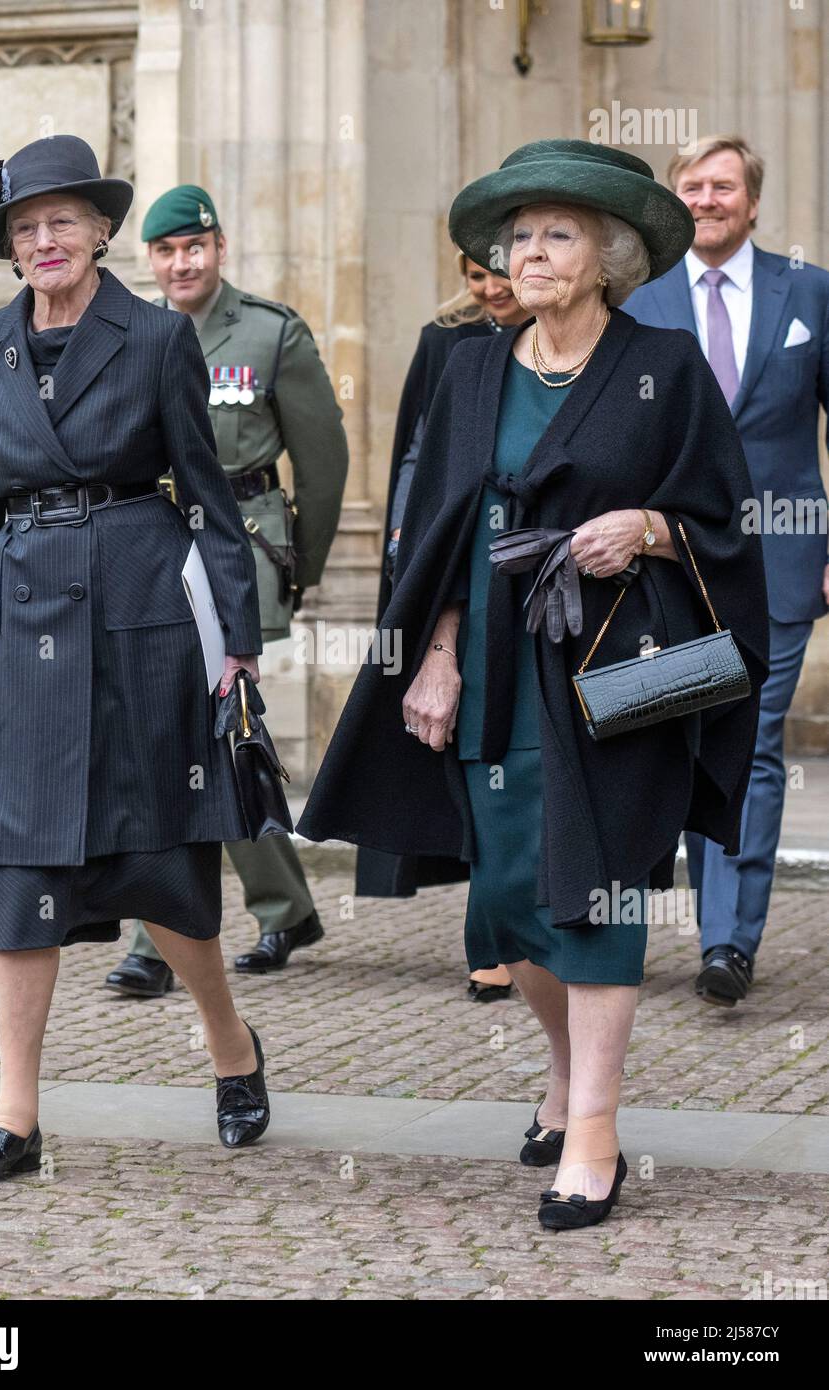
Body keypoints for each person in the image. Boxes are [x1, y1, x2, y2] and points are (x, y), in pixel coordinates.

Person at [296, 139, 769, 1229]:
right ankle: (563, 1073)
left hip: (614, 665)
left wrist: (644, 527)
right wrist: (435, 650)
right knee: (510, 905)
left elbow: (723, 525)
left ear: (605, 257)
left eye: (556, 234)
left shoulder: (664, 368)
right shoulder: (471, 369)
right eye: (519, 236)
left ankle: (593, 1130)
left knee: (595, 883)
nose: (531, 251)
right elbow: (446, 529)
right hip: (496, 660)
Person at [0, 136, 270, 1188]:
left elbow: (211, 502)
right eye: (25, 228)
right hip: (17, 621)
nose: (43, 241)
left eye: (62, 222)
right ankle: (15, 1115)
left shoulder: (159, 338)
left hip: (138, 615)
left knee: (156, 864)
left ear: (100, 231)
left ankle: (229, 1046)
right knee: (18, 866)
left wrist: (238, 643)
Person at [105, 184, 349, 994]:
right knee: (200, 736)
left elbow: (324, 462)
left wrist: (298, 569)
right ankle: (279, 909)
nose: (182, 264)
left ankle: (157, 937)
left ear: (219, 247)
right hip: (159, 553)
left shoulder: (271, 332)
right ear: (150, 259)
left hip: (241, 551)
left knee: (196, 732)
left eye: (195, 248)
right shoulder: (132, 332)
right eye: (167, 252)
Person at [623, 135, 829, 1009]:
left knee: (756, 740)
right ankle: (633, 922)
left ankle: (728, 941)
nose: (708, 199)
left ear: (752, 199)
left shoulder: (809, 291)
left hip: (782, 561)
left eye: (723, 186)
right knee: (689, 734)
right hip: (676, 564)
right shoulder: (643, 300)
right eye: (693, 187)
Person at [357, 251, 529, 1003]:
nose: (490, 287)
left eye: (502, 270)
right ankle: (488, 937)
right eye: (473, 271)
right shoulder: (445, 342)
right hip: (463, 573)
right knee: (473, 758)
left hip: (557, 570)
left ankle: (557, 931)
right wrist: (410, 570)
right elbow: (414, 466)